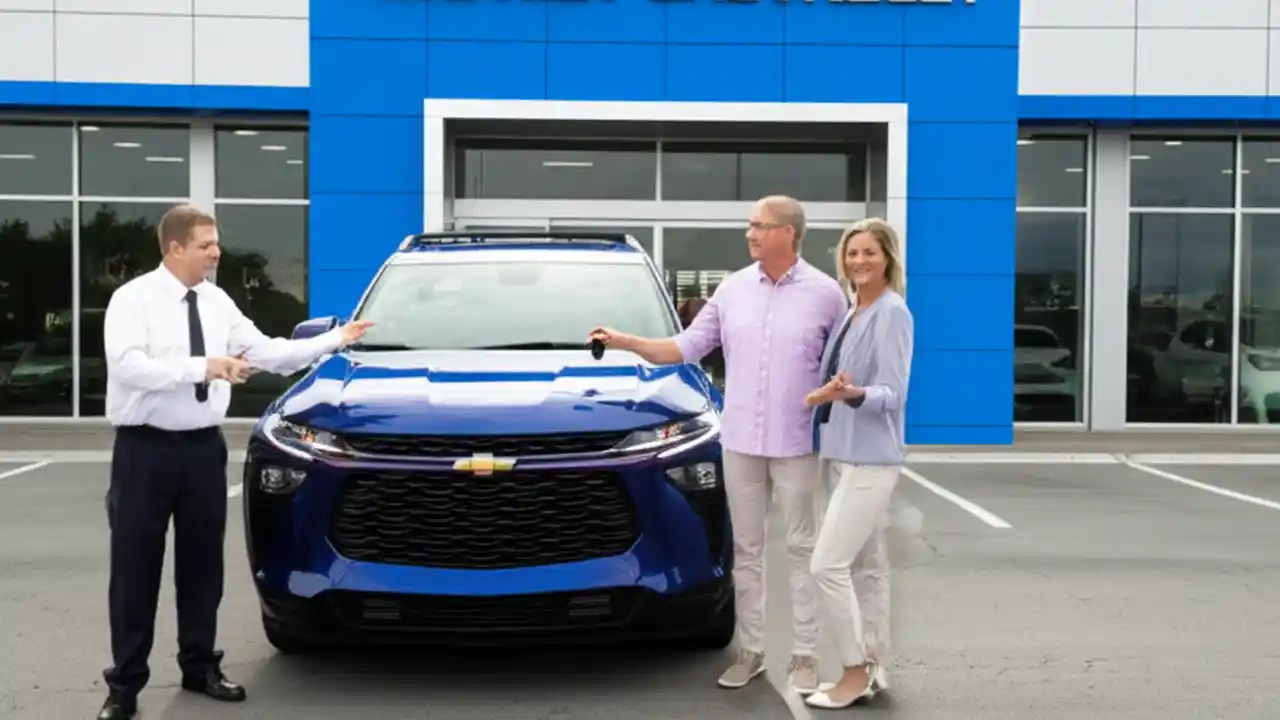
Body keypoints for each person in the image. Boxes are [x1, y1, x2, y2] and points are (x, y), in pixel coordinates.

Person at [95, 205, 372, 720]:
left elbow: (269, 352)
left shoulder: (217, 302)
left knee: (203, 568)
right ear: (174, 248)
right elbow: (130, 367)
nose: (216, 251)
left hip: (203, 450)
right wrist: (206, 365)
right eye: (206, 244)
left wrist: (337, 339)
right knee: (135, 572)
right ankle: (125, 686)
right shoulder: (132, 300)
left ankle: (200, 667)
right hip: (143, 453)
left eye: (216, 242)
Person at [588, 195, 847, 694]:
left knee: (800, 549)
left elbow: (842, 366)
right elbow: (684, 349)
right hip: (741, 440)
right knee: (747, 551)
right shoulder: (732, 290)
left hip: (796, 442)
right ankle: (752, 651)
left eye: (759, 225)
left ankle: (805, 656)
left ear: (789, 233)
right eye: (749, 225)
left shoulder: (826, 294)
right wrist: (625, 341)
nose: (749, 233)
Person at [801, 217, 913, 710]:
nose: (859, 261)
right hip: (841, 454)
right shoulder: (854, 312)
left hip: (871, 459)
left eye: (869, 252)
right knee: (866, 566)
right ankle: (874, 661)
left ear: (887, 257)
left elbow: (894, 393)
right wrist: (829, 395)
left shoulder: (892, 313)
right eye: (852, 253)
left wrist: (854, 394)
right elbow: (838, 380)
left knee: (827, 565)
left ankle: (853, 671)